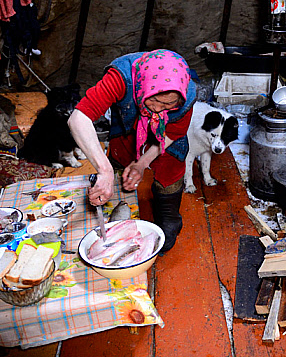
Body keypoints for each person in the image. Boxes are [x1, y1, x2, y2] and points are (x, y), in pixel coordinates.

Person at [68, 49, 196, 254]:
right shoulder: (121, 78)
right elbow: (78, 118)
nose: (157, 109)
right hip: (129, 122)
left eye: (168, 104)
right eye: (154, 100)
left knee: (171, 168)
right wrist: (105, 170)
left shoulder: (186, 92)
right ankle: (118, 219)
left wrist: (142, 163)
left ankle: (168, 221)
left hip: (166, 134)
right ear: (144, 87)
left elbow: (173, 133)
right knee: (120, 158)